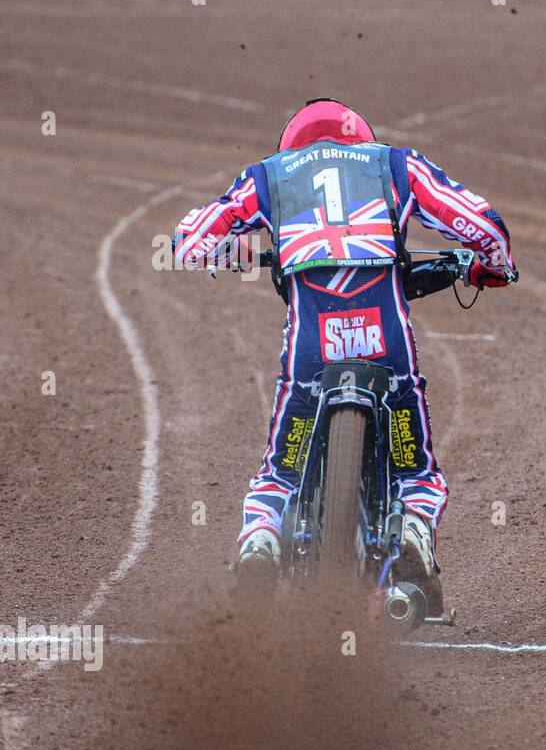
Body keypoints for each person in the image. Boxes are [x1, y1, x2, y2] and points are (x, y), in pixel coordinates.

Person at [172, 98, 514, 605]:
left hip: (311, 343)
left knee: (280, 469)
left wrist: (233, 252)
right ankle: (414, 528)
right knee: (416, 470)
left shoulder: (268, 175)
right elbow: (483, 226)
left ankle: (261, 538)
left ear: (292, 145)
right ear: (360, 138)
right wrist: (492, 265)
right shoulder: (395, 164)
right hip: (386, 338)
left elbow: (188, 244)